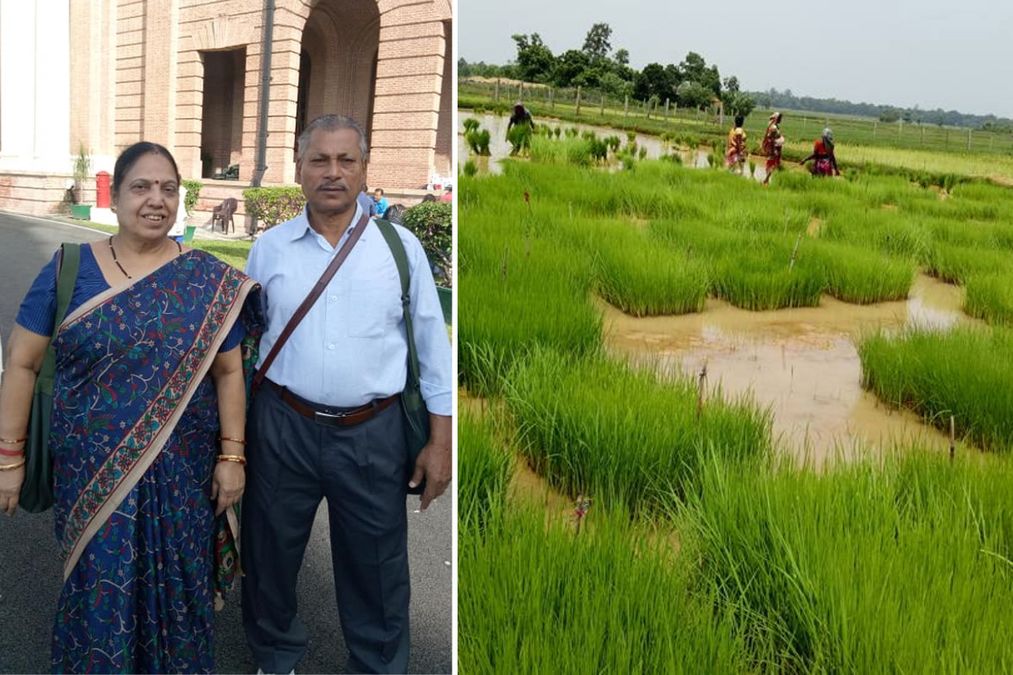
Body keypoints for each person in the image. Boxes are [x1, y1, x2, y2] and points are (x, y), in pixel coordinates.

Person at [0, 141, 260, 673]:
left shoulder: (207, 280)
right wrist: (9, 458)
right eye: (141, 187)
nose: (156, 200)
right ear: (115, 197)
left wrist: (232, 457)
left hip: (182, 480)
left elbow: (230, 372)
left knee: (178, 597)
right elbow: (22, 363)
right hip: (93, 477)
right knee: (100, 593)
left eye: (168, 188)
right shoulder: (70, 269)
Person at [241, 114, 452, 675]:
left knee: (377, 565)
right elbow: (247, 342)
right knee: (269, 553)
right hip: (282, 425)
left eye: (345, 160)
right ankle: (275, 656)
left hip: (372, 433)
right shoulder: (270, 249)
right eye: (319, 160)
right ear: (300, 168)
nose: (332, 172)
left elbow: (433, 350)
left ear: (363, 168)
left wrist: (441, 443)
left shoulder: (400, 249)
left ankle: (377, 664)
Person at [761, 112, 785, 185]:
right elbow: (770, 139)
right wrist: (774, 150)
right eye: (779, 118)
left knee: (774, 164)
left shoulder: (776, 126)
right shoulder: (773, 128)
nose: (780, 119)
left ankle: (768, 180)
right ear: (776, 118)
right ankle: (766, 180)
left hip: (776, 147)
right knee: (773, 164)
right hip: (774, 148)